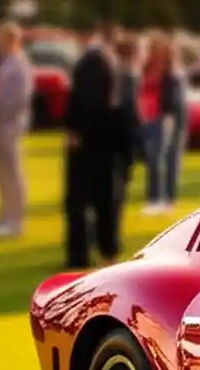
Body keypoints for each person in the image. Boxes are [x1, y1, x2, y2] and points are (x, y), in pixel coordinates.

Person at [64, 22, 139, 269]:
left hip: (93, 143)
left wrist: (75, 131)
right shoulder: (115, 65)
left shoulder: (91, 63)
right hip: (112, 142)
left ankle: (81, 253)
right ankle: (108, 250)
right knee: (108, 201)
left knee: (82, 201)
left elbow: (84, 101)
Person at [0, 21, 33, 238]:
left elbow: (19, 98)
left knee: (12, 171)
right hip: (0, 122)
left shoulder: (20, 63)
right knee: (1, 171)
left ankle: (15, 220)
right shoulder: (4, 62)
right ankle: (5, 216)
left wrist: (4, 116)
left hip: (11, 123)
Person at [139, 31, 188, 215]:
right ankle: (154, 198)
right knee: (153, 159)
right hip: (149, 117)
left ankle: (167, 199)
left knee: (167, 157)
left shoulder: (173, 73)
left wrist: (169, 118)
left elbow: (175, 102)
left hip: (165, 118)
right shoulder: (146, 68)